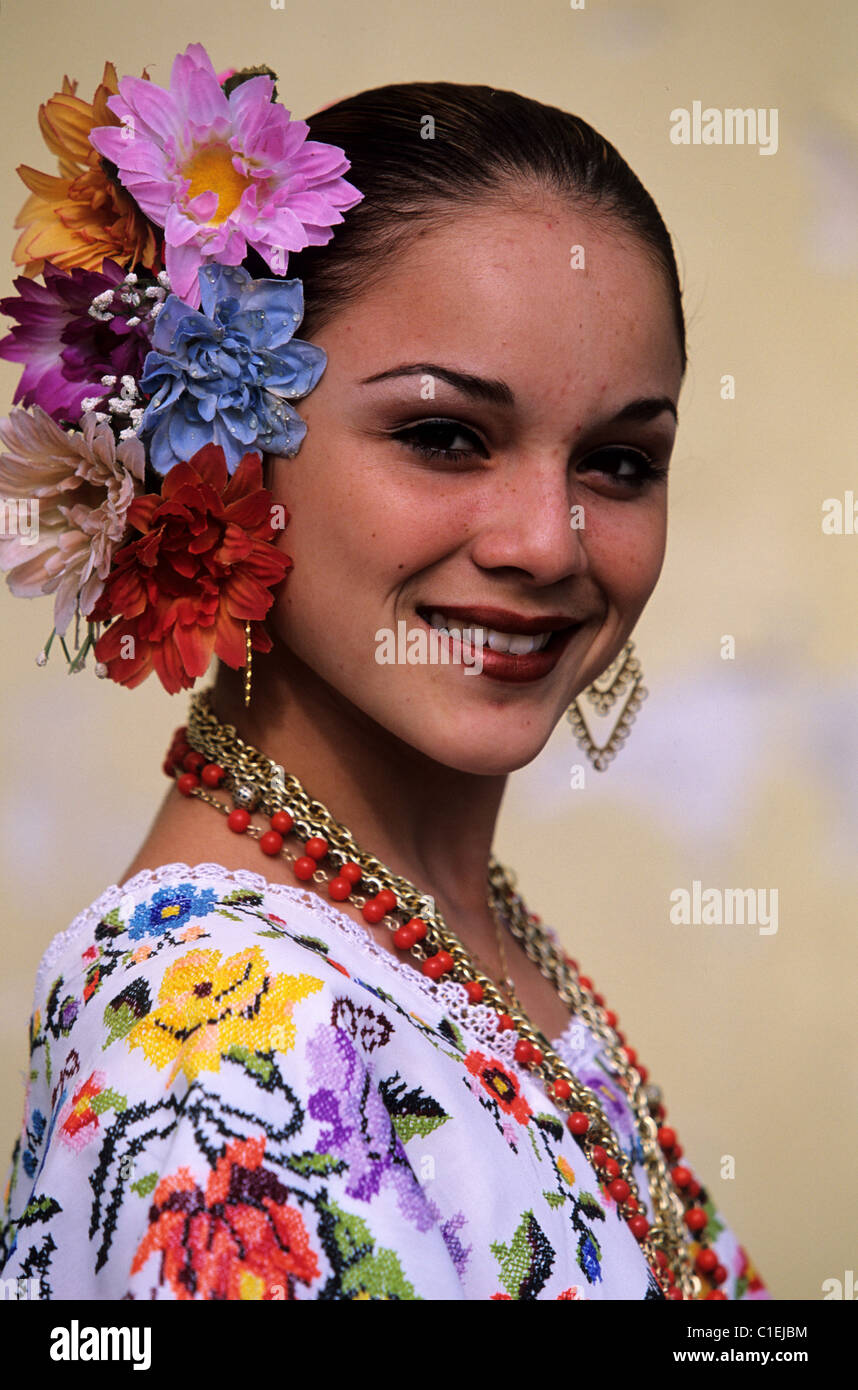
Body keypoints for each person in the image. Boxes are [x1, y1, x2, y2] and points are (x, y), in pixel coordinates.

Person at [0, 46, 768, 1300]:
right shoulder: (222, 1047)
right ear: (223, 444)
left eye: (621, 462)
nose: (544, 541)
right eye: (444, 435)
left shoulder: (448, 936)